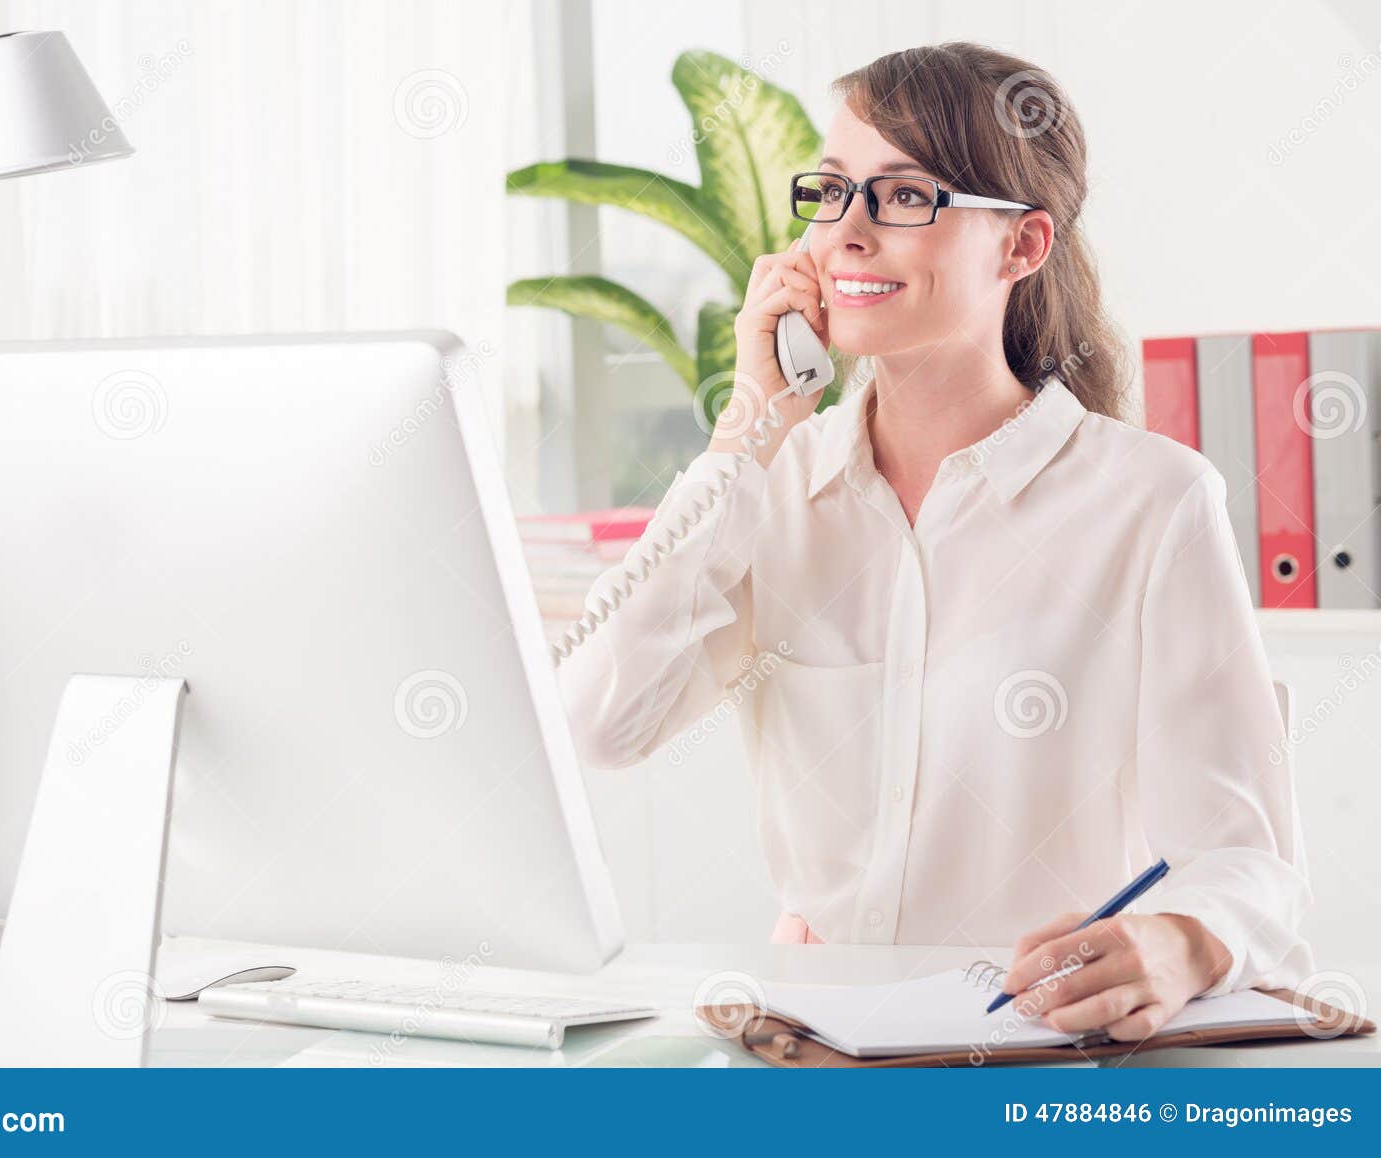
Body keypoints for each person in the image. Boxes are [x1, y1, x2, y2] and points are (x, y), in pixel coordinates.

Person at [557, 42, 1313, 1041]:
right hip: (815, 1050)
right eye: (830, 194)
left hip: (1037, 1057)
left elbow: (1247, 861)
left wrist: (1181, 940)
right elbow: (601, 723)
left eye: (904, 197)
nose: (848, 234)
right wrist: (747, 429)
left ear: (1022, 245)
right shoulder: (769, 488)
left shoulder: (1152, 504)